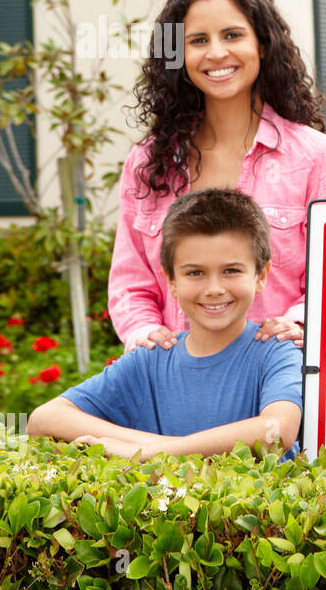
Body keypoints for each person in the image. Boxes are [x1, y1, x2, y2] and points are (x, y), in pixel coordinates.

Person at [110, 0, 326, 353]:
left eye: (232, 35)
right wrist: (143, 334)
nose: (217, 53)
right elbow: (130, 282)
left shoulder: (315, 156)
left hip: (277, 377)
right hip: (173, 379)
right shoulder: (148, 161)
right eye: (198, 40)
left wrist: (298, 323)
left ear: (263, 45)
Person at [29, 189, 303, 459]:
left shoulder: (277, 351)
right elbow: (44, 418)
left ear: (261, 275)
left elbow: (278, 430)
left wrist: (150, 452)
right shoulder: (151, 359)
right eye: (195, 272)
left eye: (231, 270)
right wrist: (153, 445)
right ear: (171, 281)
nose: (214, 288)